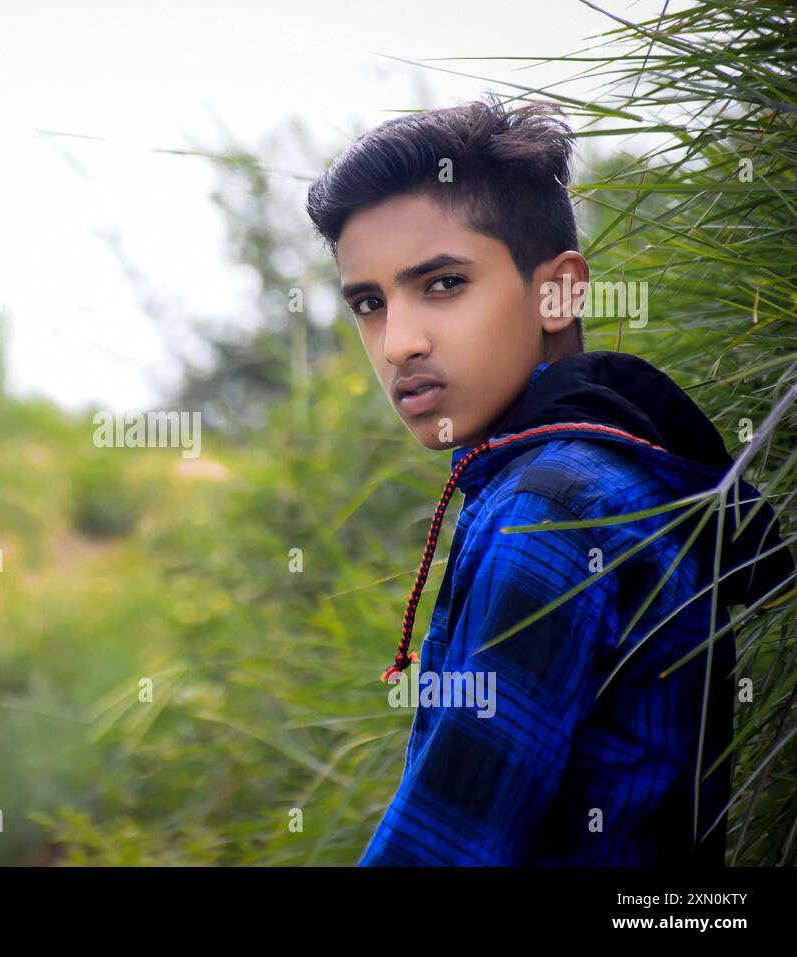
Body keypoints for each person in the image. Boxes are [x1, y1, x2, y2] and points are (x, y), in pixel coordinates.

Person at [304, 94, 796, 865]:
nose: (398, 343)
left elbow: (446, 848)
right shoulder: (617, 470)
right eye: (370, 302)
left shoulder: (552, 510)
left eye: (441, 284)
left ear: (560, 289)